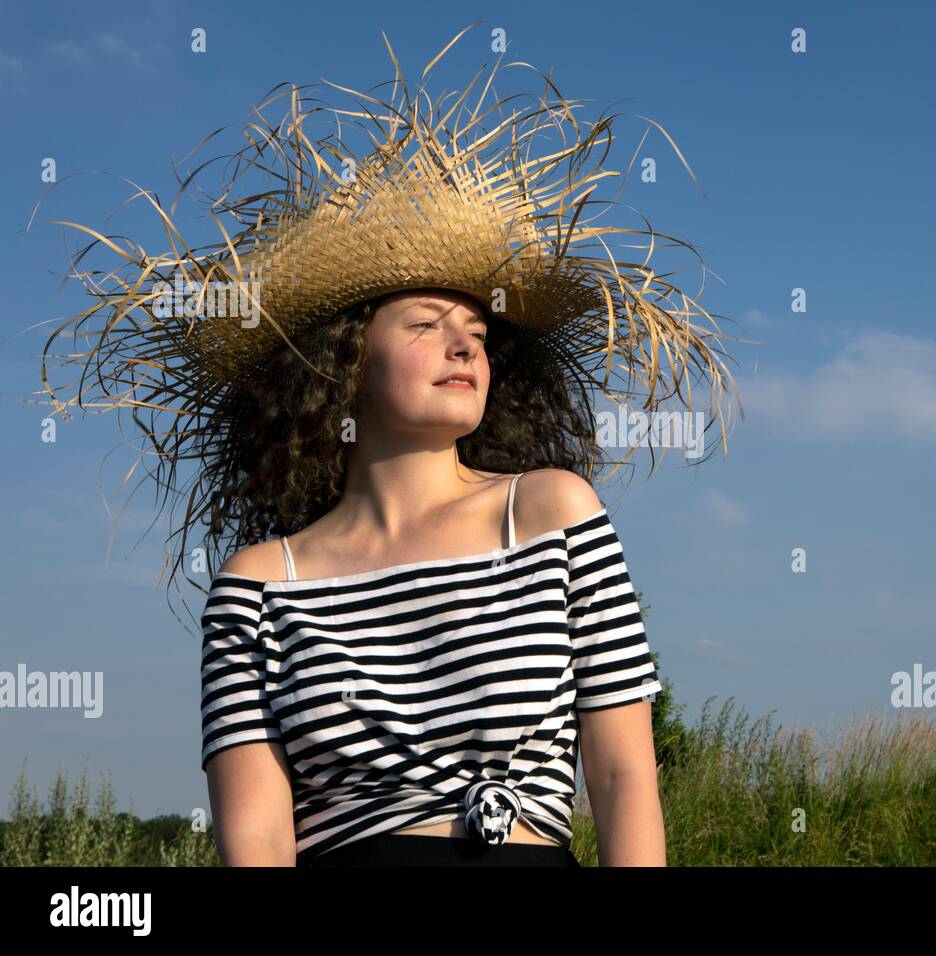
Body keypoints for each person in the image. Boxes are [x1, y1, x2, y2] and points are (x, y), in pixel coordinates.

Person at [34, 24, 742, 867]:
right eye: (426, 326)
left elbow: (625, 777)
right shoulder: (259, 584)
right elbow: (256, 835)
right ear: (343, 364)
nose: (465, 347)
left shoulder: (551, 509)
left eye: (477, 333)